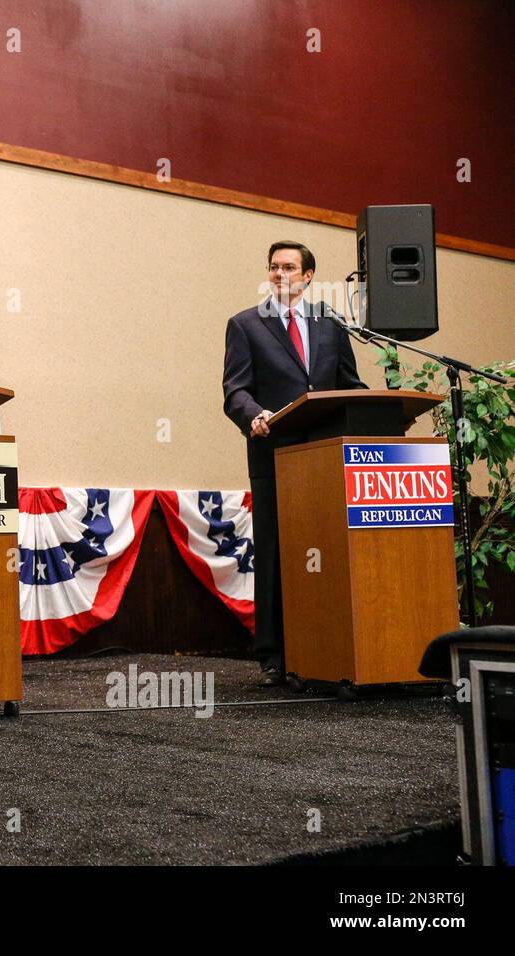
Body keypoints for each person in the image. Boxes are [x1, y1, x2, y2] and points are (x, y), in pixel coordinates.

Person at [222, 240, 365, 687]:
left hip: (324, 459)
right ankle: (273, 654)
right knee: (276, 552)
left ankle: (324, 643)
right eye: (273, 267)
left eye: (289, 268)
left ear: (307, 277)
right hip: (275, 453)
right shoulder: (246, 324)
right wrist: (253, 415)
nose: (280, 274)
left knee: (324, 547)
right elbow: (235, 390)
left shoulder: (330, 325)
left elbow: (350, 384)